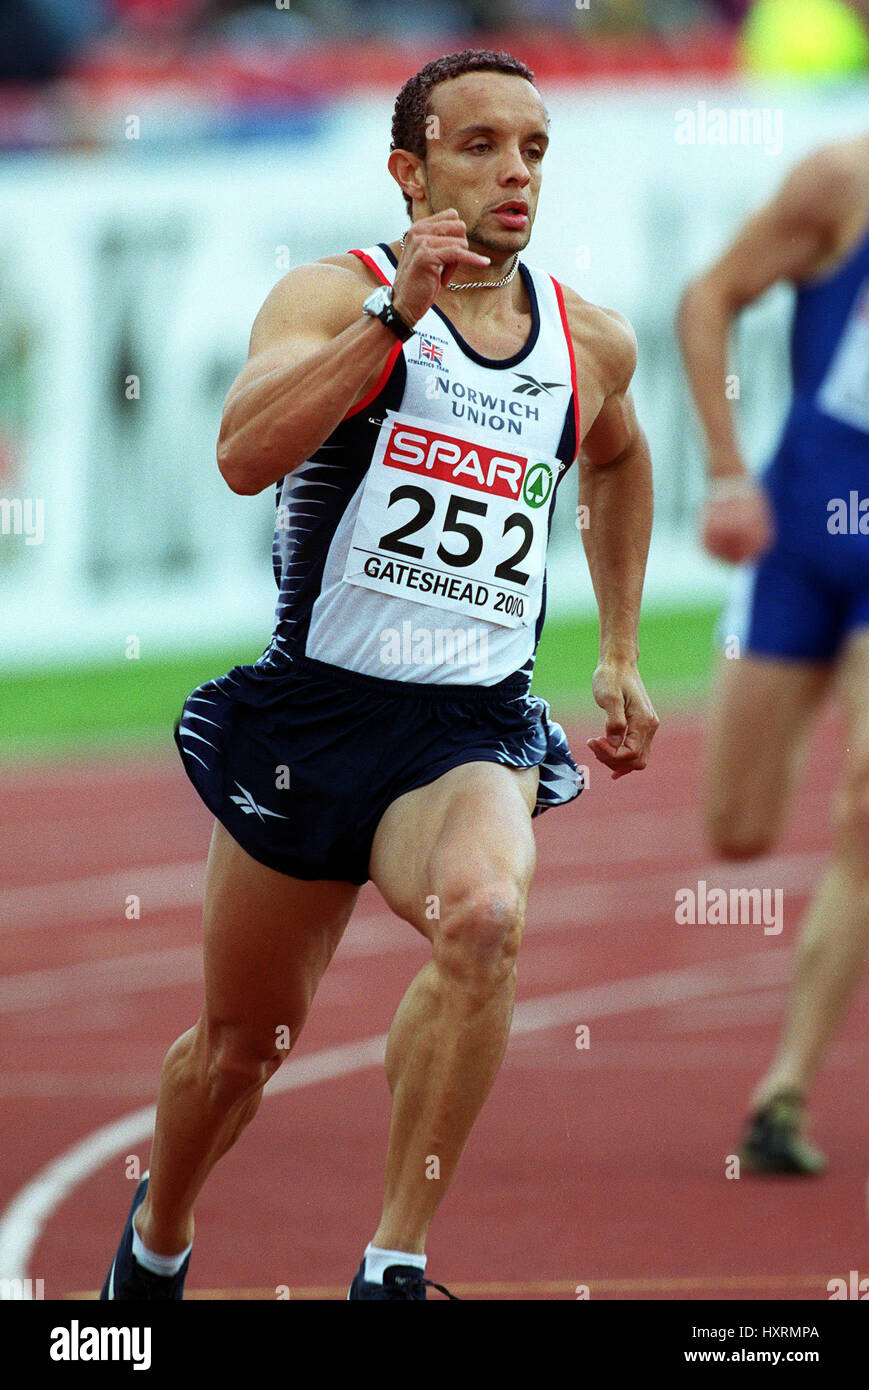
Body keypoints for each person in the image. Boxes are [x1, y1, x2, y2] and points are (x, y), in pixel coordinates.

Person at [100, 48, 658, 1302]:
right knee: (239, 1049)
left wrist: (615, 647)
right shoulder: (328, 296)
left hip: (468, 731)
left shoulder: (587, 342)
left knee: (484, 918)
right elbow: (245, 455)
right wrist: (391, 318)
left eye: (533, 149)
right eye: (478, 147)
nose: (513, 173)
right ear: (409, 171)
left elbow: (618, 462)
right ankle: (157, 1242)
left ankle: (392, 1263)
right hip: (312, 717)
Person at [678, 132, 869, 1173]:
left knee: (865, 805)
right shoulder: (842, 183)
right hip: (797, 534)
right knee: (737, 831)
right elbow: (705, 298)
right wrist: (721, 467)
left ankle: (782, 1087)